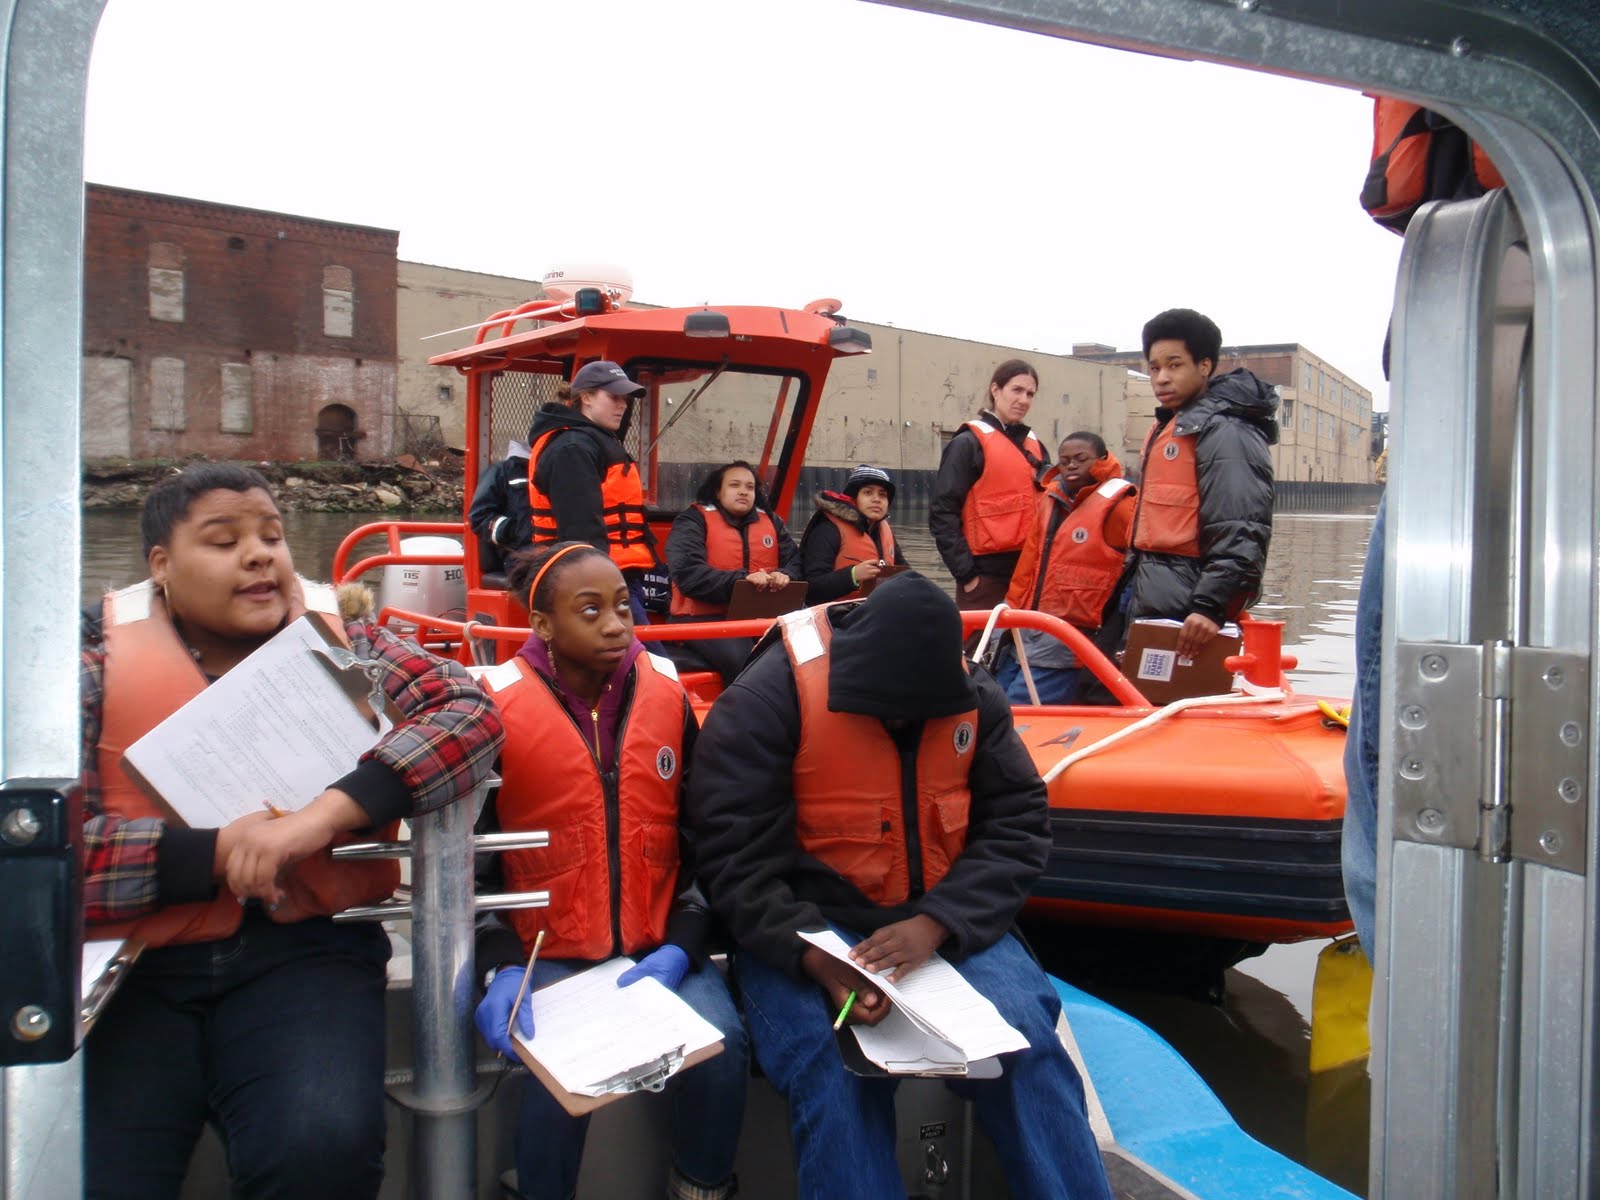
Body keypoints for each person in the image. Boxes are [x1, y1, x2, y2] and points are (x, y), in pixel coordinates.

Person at [80, 463, 504, 1200]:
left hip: (306, 951)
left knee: (321, 1150)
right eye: (225, 541)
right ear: (161, 566)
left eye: (272, 537)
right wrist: (215, 853)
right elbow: (42, 842)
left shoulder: (348, 641)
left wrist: (323, 815)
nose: (259, 556)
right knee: (101, 1172)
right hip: (133, 964)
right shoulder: (88, 665)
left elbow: (468, 715)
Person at [685, 572, 1113, 1200]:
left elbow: (1018, 825)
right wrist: (816, 958)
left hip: (943, 920)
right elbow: (731, 858)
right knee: (834, 1065)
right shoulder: (768, 698)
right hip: (808, 931)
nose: (904, 721)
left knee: (1029, 1044)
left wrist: (937, 923)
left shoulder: (975, 695)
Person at [471, 541, 747, 1200]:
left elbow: (703, 835)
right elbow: (471, 864)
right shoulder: (493, 709)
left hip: (659, 944)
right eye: (590, 610)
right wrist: (501, 963)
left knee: (724, 1049)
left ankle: (700, 1186)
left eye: (623, 606)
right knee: (554, 1087)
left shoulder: (667, 695)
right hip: (544, 952)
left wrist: (685, 942)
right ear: (543, 624)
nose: (617, 624)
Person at [1120, 308, 1277, 659]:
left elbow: (1242, 525)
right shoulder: (1171, 425)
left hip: (1187, 603)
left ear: (1204, 366)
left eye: (1174, 365)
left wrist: (1211, 606)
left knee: (1159, 690)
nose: (1161, 378)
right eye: (1154, 368)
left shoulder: (1227, 430)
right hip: (1150, 590)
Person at [999, 432, 1136, 705]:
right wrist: (1007, 615)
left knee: (1018, 707)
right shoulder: (1050, 500)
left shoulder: (1122, 506)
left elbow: (1139, 564)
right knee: (997, 698)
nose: (1072, 465)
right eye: (1064, 461)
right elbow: (1027, 565)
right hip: (1026, 630)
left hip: (1072, 639)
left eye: (1081, 459)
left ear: (1101, 459)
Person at [526, 360, 659, 621]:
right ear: (586, 397)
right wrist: (597, 593)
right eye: (613, 397)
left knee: (645, 648)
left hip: (614, 578)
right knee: (646, 650)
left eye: (624, 398)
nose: (623, 405)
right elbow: (580, 531)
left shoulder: (591, 440)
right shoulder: (573, 448)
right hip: (599, 583)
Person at [663, 460, 800, 685]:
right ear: (718, 492)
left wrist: (786, 575)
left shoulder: (771, 522)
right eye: (735, 485)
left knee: (805, 650)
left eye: (749, 487)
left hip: (761, 618)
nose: (743, 491)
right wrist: (741, 581)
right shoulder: (692, 520)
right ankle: (742, 706)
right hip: (702, 620)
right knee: (745, 659)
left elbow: (796, 562)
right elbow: (688, 574)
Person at [929, 359, 1048, 610]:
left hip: (1027, 575)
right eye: (1017, 390)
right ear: (996, 390)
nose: (1024, 400)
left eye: (1030, 394)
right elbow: (942, 513)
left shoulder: (1036, 446)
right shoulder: (967, 444)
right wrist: (967, 576)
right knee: (978, 637)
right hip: (984, 577)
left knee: (1023, 637)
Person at [797, 463, 908, 604]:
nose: (877, 499)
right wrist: (853, 575)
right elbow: (811, 587)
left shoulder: (884, 531)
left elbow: (905, 573)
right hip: (836, 613)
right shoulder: (828, 528)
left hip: (876, 610)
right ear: (853, 498)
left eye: (883, 495)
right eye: (868, 492)